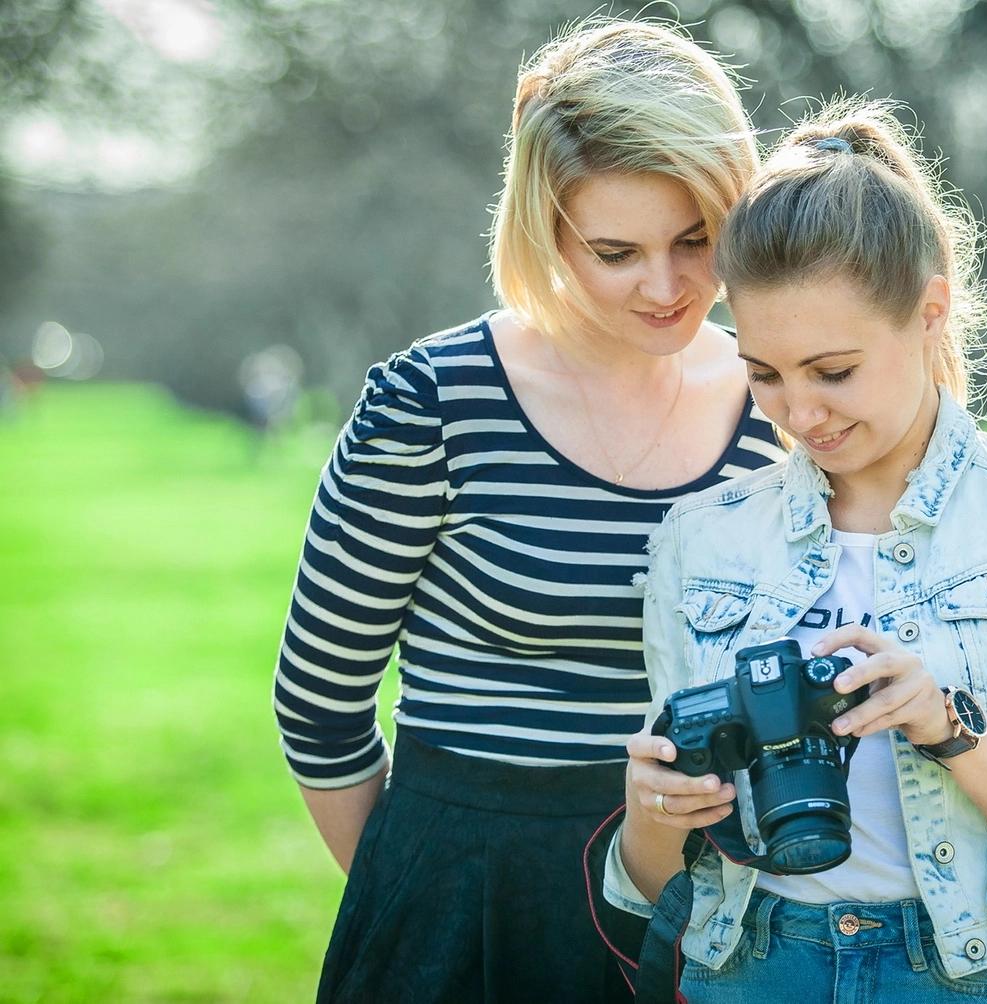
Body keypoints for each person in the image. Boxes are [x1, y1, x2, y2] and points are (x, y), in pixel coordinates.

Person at [605, 100, 987, 1002]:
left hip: (971, 979)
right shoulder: (702, 540)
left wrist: (952, 728)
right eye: (764, 374)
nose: (800, 414)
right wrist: (654, 813)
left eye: (834, 371)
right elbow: (655, 886)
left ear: (930, 312)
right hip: (751, 974)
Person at [272, 18, 783, 1003]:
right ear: (545, 230)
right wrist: (414, 899)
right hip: (466, 895)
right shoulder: (433, 402)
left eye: (696, 238)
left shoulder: (781, 403)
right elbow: (320, 702)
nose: (667, 286)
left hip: (717, 910)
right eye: (617, 250)